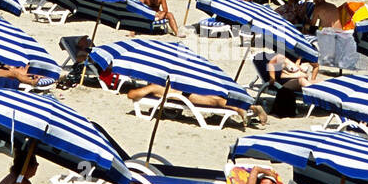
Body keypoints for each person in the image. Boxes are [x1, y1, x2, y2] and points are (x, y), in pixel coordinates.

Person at [126, 79, 267, 126]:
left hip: (185, 97)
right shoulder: (166, 79)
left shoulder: (153, 86)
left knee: (216, 102)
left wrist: (142, 89)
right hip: (188, 90)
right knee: (217, 99)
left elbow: (131, 95)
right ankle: (249, 107)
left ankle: (241, 109)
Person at [267, 52, 318, 117]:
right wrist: (272, 78)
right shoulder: (283, 56)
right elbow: (271, 64)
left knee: (320, 81)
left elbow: (316, 66)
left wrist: (313, 79)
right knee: (301, 80)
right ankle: (316, 97)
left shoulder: (303, 57)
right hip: (287, 82)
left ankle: (324, 98)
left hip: (302, 82)